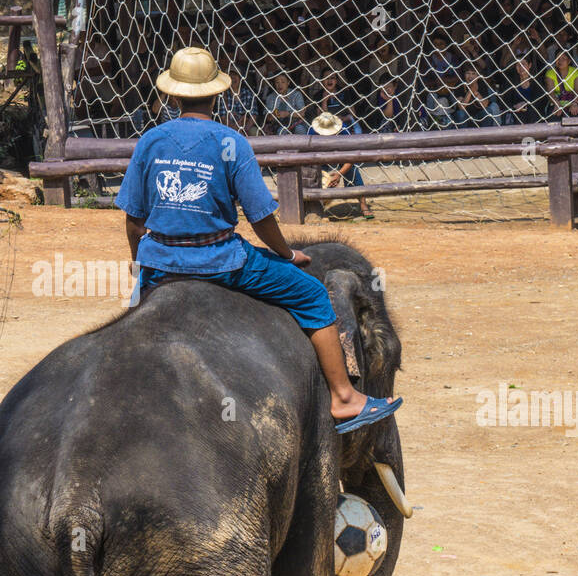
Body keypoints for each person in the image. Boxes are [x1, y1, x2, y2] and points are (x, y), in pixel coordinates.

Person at [115, 48, 398, 433]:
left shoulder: (150, 141)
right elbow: (261, 216)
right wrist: (286, 253)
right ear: (216, 95)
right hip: (219, 260)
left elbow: (134, 221)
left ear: (172, 94)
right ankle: (344, 397)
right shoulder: (230, 142)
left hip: (159, 261)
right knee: (313, 295)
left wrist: (140, 265)